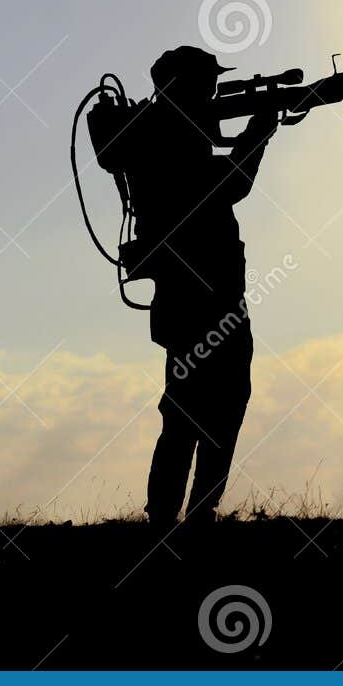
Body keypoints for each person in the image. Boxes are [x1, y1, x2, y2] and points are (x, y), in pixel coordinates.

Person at [125, 46, 277, 530]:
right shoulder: (162, 139)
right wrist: (258, 133)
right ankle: (174, 518)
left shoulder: (172, 134)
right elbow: (231, 185)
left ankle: (192, 514)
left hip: (208, 296)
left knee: (219, 404)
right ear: (182, 86)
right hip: (196, 297)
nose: (212, 91)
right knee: (191, 409)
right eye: (205, 82)